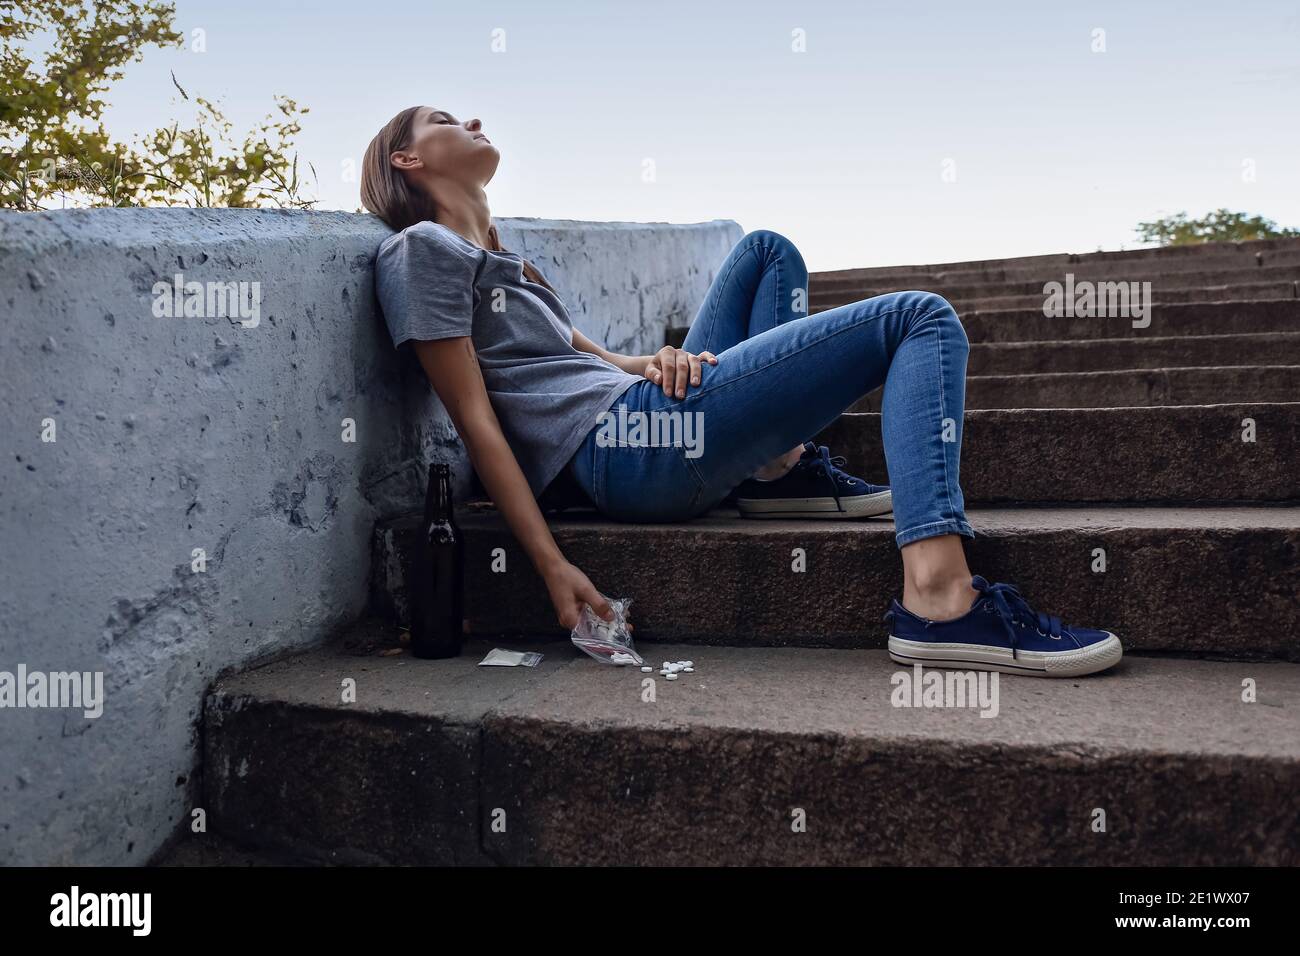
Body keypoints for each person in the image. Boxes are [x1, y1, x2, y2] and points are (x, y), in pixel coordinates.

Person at [361, 105, 1122, 677]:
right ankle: (941, 597)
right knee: (920, 320)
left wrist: (657, 359)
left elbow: (593, 359)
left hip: (637, 408)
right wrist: (551, 563)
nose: (473, 120)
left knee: (764, 252)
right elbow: (475, 420)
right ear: (407, 158)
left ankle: (777, 469)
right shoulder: (419, 251)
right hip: (625, 450)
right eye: (444, 120)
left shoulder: (507, 260)